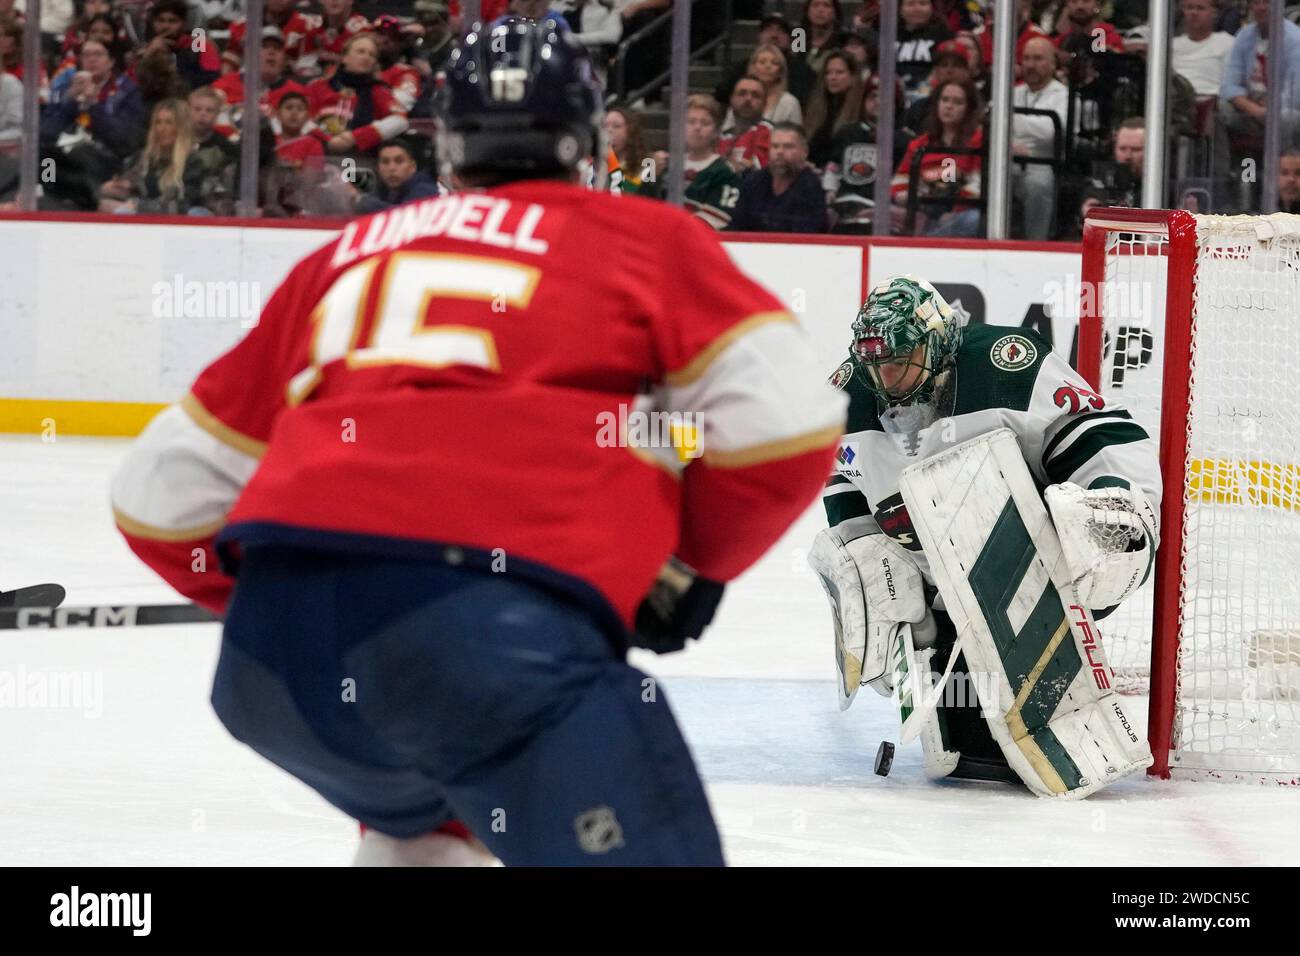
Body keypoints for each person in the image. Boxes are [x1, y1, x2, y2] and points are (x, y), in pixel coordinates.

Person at [110, 16, 846, 867]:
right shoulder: (641, 239)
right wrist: (688, 565)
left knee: (426, 834)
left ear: (449, 145)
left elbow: (156, 491)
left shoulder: (342, 256)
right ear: (584, 142)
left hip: (276, 677)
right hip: (493, 642)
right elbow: (790, 420)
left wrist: (287, 596)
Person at [814, 275, 1160, 792]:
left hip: (1031, 557)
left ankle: (1050, 698)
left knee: (1073, 550)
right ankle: (957, 698)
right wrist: (858, 544)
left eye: (900, 360)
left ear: (937, 342)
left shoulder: (1007, 363)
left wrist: (1112, 497)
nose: (886, 377)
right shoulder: (849, 394)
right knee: (862, 572)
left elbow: (1098, 428)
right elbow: (835, 470)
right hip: (931, 562)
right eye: (875, 364)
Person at [892, 77, 984, 237]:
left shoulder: (978, 141)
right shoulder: (919, 144)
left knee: (973, 219)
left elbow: (978, 187)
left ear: (969, 109)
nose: (949, 106)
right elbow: (898, 186)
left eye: (957, 102)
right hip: (922, 212)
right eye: (945, 100)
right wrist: (910, 197)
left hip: (958, 215)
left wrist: (953, 209)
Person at [645, 94, 741, 229]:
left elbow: (717, 219)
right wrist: (649, 173)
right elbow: (636, 202)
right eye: (691, 121)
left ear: (716, 131)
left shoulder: (725, 172)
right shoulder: (662, 163)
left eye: (705, 123)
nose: (697, 128)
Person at [306, 32, 409, 156]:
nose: (366, 57)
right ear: (344, 57)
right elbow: (302, 120)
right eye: (361, 51)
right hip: (316, 156)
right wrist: (328, 141)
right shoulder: (317, 86)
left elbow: (400, 120)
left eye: (372, 55)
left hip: (359, 159)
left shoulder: (378, 91)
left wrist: (356, 138)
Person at [98, 97, 202, 213]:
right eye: (158, 122)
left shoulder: (193, 162)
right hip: (142, 216)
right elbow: (129, 189)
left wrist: (139, 206)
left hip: (175, 222)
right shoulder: (143, 158)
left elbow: (184, 205)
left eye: (169, 122)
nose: (162, 129)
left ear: (181, 127)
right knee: (105, 203)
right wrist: (115, 188)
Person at [1011, 35, 1067, 240]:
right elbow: (990, 123)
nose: (1030, 65)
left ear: (1053, 64)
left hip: (1043, 163)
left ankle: (1036, 241)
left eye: (1038, 58)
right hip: (1008, 159)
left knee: (1038, 185)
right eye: (1026, 58)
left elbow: (1050, 133)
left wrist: (1010, 120)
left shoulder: (1064, 95)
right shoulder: (1012, 92)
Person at [727, 122, 827, 233]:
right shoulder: (754, 181)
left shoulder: (811, 187)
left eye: (788, 147)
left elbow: (804, 238)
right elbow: (736, 228)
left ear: (804, 152)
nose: (780, 152)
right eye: (775, 146)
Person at [713, 13, 814, 106]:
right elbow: (721, 94)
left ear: (790, 39)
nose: (774, 35)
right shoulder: (742, 67)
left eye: (781, 31)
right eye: (768, 30)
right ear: (759, 36)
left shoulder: (801, 69)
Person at [823, 77, 880, 233]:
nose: (878, 102)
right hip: (845, 199)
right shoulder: (847, 132)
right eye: (872, 96)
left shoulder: (902, 138)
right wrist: (830, 190)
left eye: (883, 97)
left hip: (878, 205)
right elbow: (833, 165)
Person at [804, 50, 863, 170]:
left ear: (853, 77)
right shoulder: (817, 109)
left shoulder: (860, 111)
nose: (832, 77)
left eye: (839, 72)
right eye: (828, 73)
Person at [1080, 116, 1143, 223]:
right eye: (1122, 149)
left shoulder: (1162, 189)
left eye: (1136, 149)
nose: (1128, 156)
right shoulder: (1100, 180)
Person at [355, 135, 439, 213]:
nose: (391, 168)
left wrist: (359, 199)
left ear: (412, 167)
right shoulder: (381, 189)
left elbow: (405, 217)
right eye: (385, 162)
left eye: (399, 161)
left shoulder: (425, 190)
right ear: (378, 168)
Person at [1173, 0, 1235, 98]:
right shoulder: (1172, 45)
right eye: (1189, 8)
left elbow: (1232, 83)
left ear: (1214, 13)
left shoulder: (1227, 42)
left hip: (1213, 102)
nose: (1194, 13)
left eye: (1200, 8)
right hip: (1176, 102)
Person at [895, 0, 953, 104]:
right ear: (900, 9)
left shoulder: (942, 33)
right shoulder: (891, 33)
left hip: (929, 96)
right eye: (910, 4)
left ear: (931, 8)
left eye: (923, 4)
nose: (917, 9)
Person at [718, 75, 772, 172]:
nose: (748, 99)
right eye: (742, 93)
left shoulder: (772, 133)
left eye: (755, 95)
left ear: (764, 103)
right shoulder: (720, 136)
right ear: (732, 99)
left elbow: (759, 169)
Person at [745, 43, 802, 125]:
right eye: (762, 62)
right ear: (753, 68)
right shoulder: (742, 97)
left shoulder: (789, 102)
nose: (768, 66)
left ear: (780, 72)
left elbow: (796, 135)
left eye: (774, 63)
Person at [1052, 0, 1125, 53]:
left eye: (1086, 1)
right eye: (1074, 1)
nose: (1079, 6)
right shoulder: (1062, 41)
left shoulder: (1110, 38)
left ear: (1097, 5)